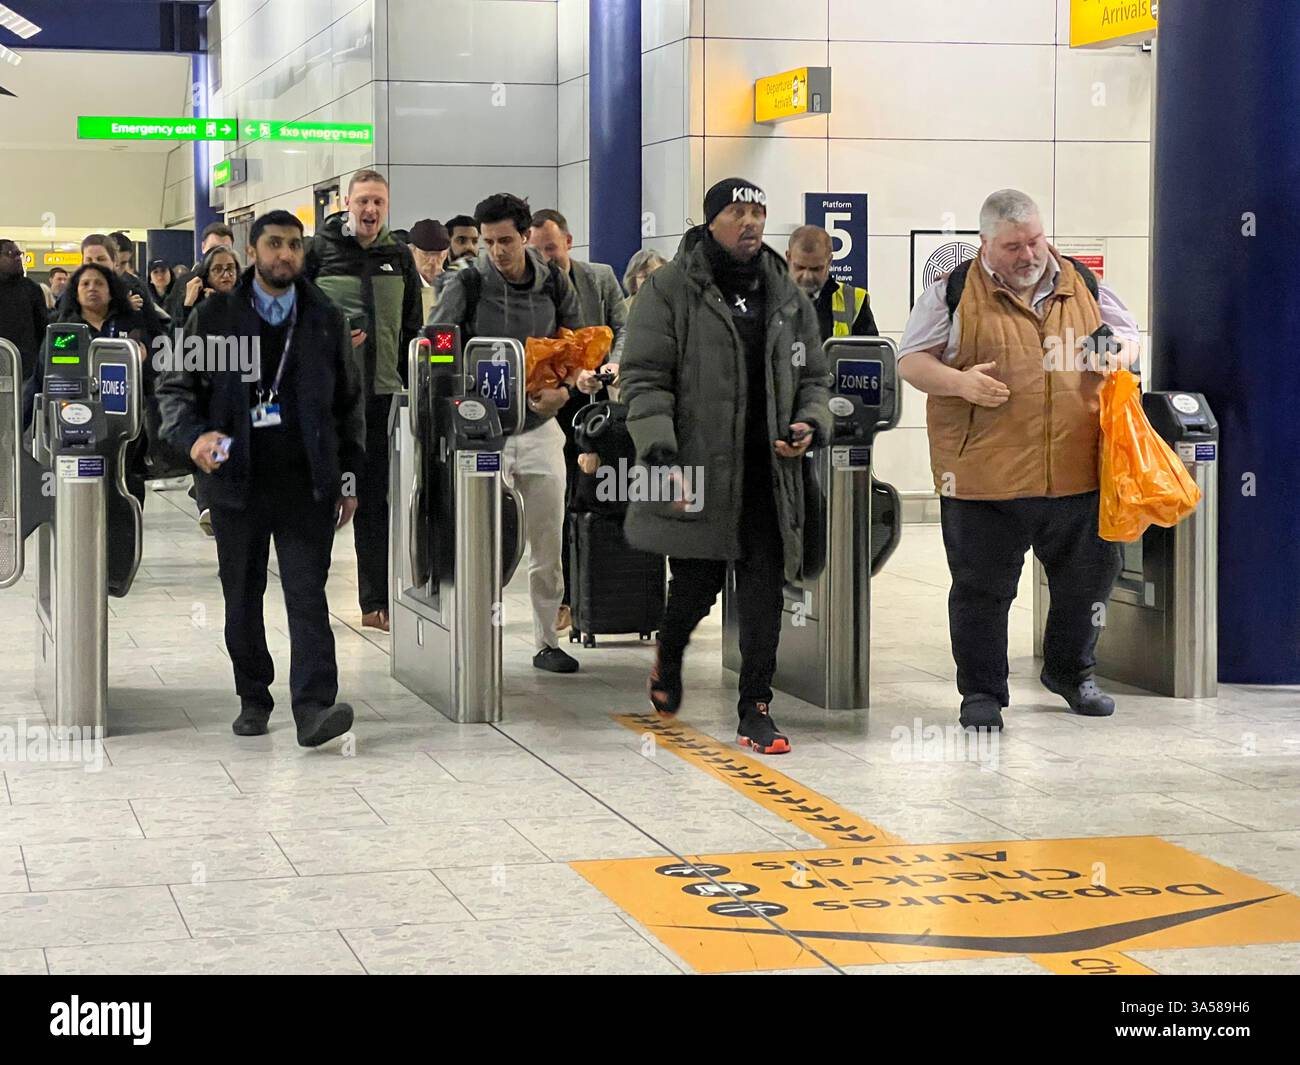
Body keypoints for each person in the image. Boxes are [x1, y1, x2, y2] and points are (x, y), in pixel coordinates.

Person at [897, 189, 1140, 731]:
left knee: (1089, 581)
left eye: (1034, 241)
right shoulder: (953, 292)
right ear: (985, 244)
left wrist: (1118, 355)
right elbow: (911, 360)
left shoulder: (1082, 282)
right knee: (982, 591)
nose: (1029, 256)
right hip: (985, 478)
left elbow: (1129, 337)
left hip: (1077, 471)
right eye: (1013, 247)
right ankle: (982, 693)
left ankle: (1071, 673)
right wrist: (960, 382)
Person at [619, 177, 831, 754]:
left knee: (766, 592)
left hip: (770, 472)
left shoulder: (784, 290)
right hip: (699, 466)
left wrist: (810, 422)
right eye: (739, 211)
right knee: (696, 581)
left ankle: (755, 709)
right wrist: (657, 443)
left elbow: (814, 375)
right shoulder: (669, 289)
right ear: (712, 220)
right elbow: (643, 374)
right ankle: (670, 650)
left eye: (759, 211)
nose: (752, 222)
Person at [156, 210, 364, 746]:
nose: (285, 255)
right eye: (274, 244)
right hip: (236, 478)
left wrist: (348, 479)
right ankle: (253, 694)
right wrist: (194, 437)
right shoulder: (214, 316)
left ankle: (314, 706)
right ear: (253, 250)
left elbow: (348, 405)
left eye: (294, 245)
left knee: (307, 595)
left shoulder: (323, 316)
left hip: (304, 481)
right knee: (242, 597)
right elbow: (176, 388)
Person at [430, 192, 584, 674]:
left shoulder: (553, 283)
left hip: (539, 428)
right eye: (487, 241)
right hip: (483, 436)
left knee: (547, 542)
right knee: (482, 542)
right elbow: (435, 341)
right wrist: (458, 397)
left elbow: (576, 344)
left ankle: (546, 641)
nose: (496, 250)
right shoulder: (467, 282)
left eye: (505, 240)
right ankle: (475, 637)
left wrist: (562, 390)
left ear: (525, 237)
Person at [307, 169, 423, 633]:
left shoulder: (399, 256)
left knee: (376, 503)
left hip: (382, 400)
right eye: (363, 201)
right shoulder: (318, 252)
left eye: (378, 202)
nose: (370, 210)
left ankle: (375, 600)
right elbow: (293, 321)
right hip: (328, 403)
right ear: (347, 203)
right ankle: (307, 597)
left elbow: (414, 328)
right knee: (321, 499)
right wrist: (327, 341)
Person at [527, 207, 629, 634]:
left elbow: (623, 326)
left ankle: (591, 593)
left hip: (595, 407)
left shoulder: (600, 278)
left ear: (568, 242)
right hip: (554, 401)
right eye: (537, 251)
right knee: (559, 501)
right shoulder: (532, 285)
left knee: (589, 496)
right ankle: (564, 599)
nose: (545, 258)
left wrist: (614, 365)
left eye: (550, 248)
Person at [27, 262, 150, 503]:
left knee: (124, 498)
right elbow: (42, 377)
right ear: (76, 291)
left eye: (99, 283)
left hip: (124, 430)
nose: (92, 288)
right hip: (76, 429)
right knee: (82, 503)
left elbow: (156, 370)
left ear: (111, 290)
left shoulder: (130, 324)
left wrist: (141, 361)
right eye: (85, 283)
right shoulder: (64, 331)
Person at [175, 245, 243, 536]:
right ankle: (210, 507)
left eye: (231, 269)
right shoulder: (197, 310)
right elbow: (174, 346)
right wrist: (189, 306)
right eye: (218, 269)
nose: (226, 275)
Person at [785, 225, 878, 343]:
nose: (807, 276)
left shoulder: (854, 301)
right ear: (788, 258)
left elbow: (871, 356)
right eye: (800, 267)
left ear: (829, 261)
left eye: (816, 269)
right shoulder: (766, 297)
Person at [0, 238, 50, 386]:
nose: (17, 258)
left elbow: (42, 327)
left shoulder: (31, 288)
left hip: (26, 367)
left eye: (18, 254)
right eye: (11, 253)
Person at [406, 218, 451, 319]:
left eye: (439, 254)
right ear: (411, 252)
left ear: (446, 253)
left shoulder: (454, 285)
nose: (433, 261)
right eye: (426, 254)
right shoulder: (404, 288)